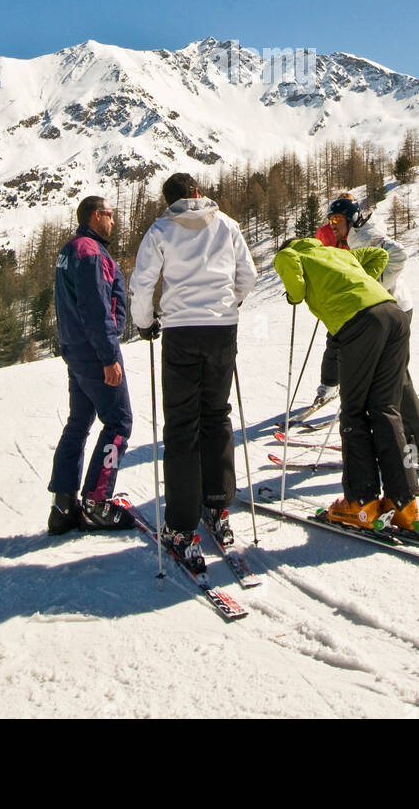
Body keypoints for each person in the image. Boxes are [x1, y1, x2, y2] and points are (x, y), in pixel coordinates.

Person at [130, 172, 257, 572]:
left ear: (168, 201)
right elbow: (247, 277)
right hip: (221, 329)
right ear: (198, 192)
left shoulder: (161, 229)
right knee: (217, 415)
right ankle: (217, 507)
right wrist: (226, 306)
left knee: (183, 425)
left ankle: (182, 527)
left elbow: (143, 282)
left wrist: (146, 322)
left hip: (182, 332)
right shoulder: (228, 224)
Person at [274, 237, 419, 531]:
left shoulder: (289, 255)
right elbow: (378, 256)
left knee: (354, 411)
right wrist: (359, 285)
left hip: (359, 323)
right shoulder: (334, 252)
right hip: (394, 314)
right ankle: (403, 503)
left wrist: (297, 294)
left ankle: (361, 503)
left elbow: (294, 289)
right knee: (386, 408)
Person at [313, 194, 419, 465]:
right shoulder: (357, 235)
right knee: (388, 380)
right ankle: (404, 443)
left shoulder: (365, 237)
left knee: (397, 381)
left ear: (353, 218)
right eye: (330, 220)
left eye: (337, 220)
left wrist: (375, 282)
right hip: (391, 310)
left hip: (392, 310)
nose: (333, 225)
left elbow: (398, 254)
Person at [48, 195, 135, 534]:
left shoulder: (71, 249)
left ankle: (64, 504)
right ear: (96, 216)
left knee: (79, 422)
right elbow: (96, 309)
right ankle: (98, 502)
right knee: (119, 422)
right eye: (110, 215)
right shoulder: (90, 252)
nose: (113, 221)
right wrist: (109, 357)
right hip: (95, 353)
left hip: (75, 349)